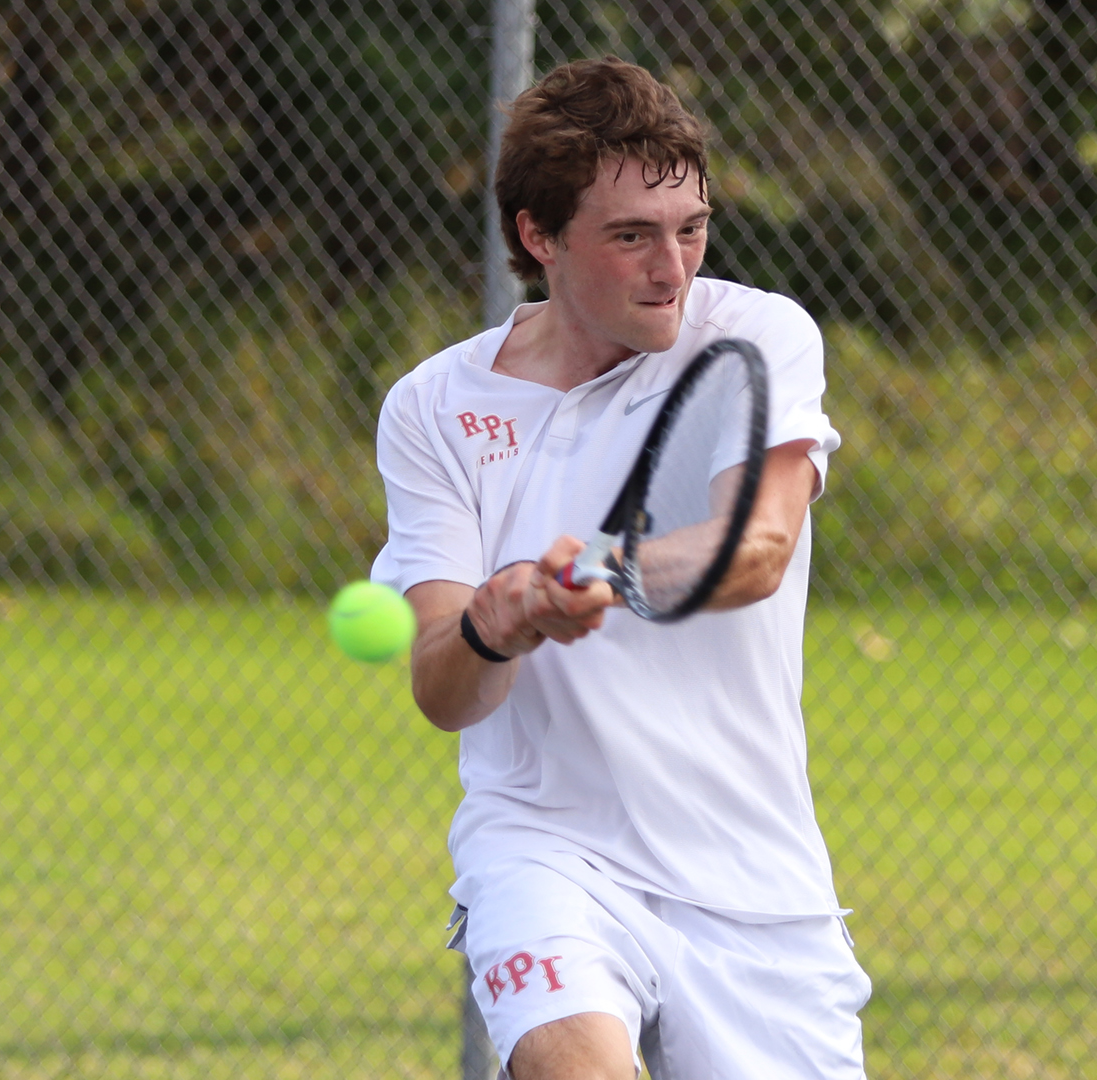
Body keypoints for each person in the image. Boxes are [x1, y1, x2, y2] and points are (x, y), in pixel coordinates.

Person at [370, 56, 867, 1079]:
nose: (673, 268)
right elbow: (441, 685)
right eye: (632, 236)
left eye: (691, 227)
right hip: (547, 852)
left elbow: (757, 548)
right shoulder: (431, 409)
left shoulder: (757, 335)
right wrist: (494, 624)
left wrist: (597, 565)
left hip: (751, 884)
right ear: (539, 237)